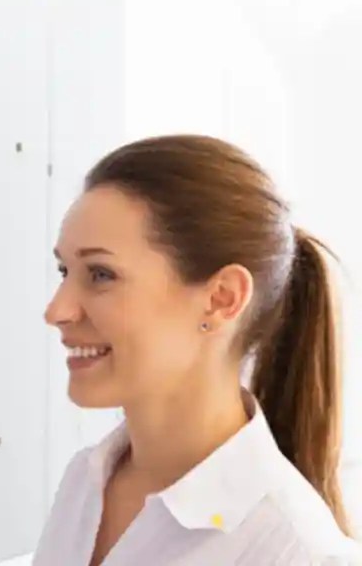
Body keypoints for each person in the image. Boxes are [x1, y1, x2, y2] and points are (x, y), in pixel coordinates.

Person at [33, 134, 361, 565]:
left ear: (222, 298)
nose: (57, 310)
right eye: (64, 270)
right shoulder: (84, 481)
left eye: (100, 274)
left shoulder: (296, 551)